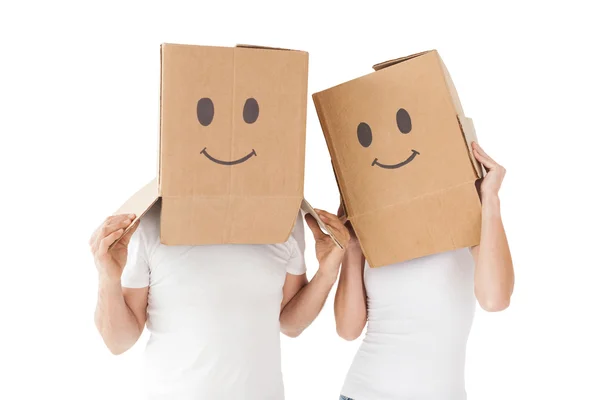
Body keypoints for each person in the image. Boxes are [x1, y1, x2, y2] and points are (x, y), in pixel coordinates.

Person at [89, 203, 349, 400]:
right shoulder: (152, 220)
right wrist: (108, 278)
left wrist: (326, 273)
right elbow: (119, 341)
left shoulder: (283, 216)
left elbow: (290, 323)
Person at [330, 141, 514, 400]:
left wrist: (490, 198)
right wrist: (351, 245)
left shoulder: (463, 214)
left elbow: (495, 299)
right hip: (364, 392)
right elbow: (348, 330)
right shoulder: (374, 222)